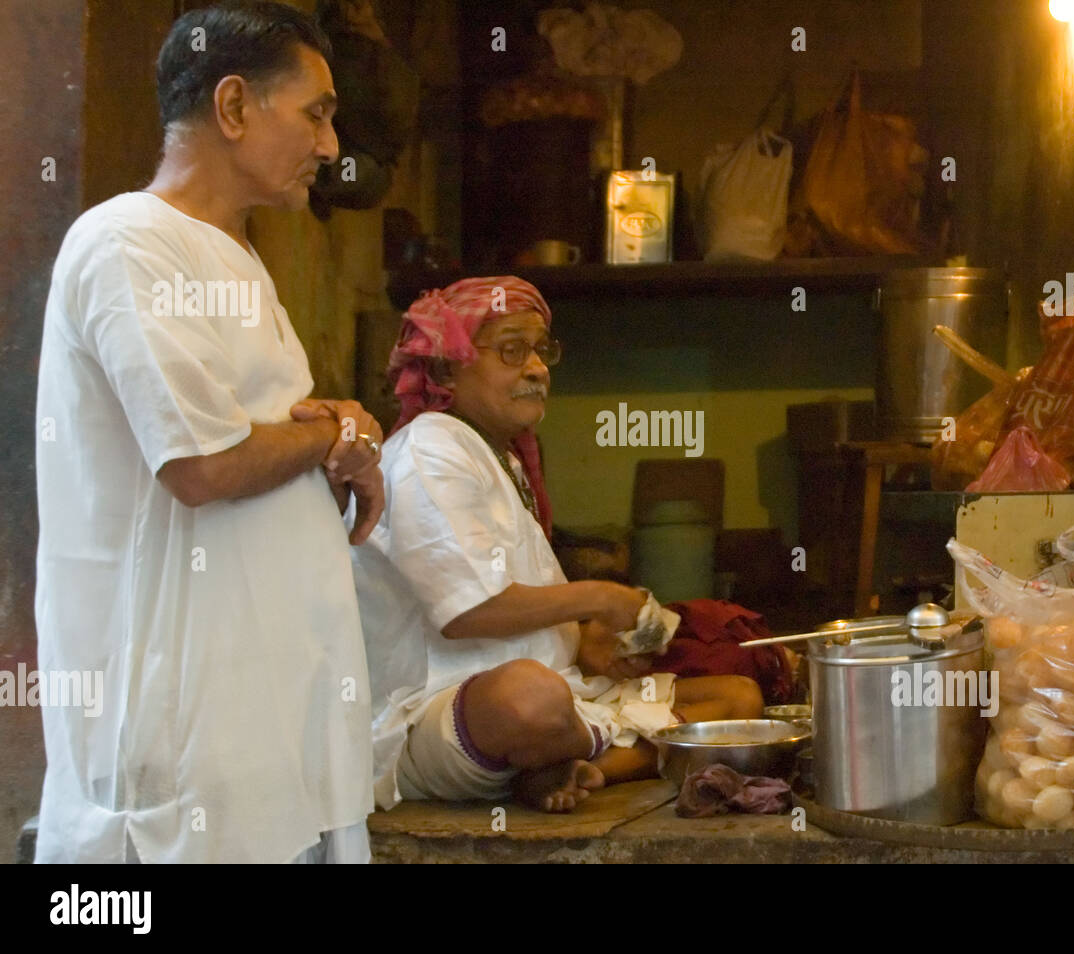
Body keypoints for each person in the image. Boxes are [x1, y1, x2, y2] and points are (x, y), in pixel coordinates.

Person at [34, 2, 384, 863]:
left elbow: (254, 438)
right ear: (232, 107)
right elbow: (202, 462)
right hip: (182, 746)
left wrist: (335, 437)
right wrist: (332, 433)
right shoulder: (128, 243)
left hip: (263, 732)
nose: (330, 147)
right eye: (315, 114)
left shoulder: (233, 255)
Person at [350, 277, 763, 813]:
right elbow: (468, 610)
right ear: (447, 368)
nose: (537, 369)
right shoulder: (430, 448)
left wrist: (583, 642)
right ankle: (571, 751)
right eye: (512, 350)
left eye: (541, 351)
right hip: (440, 713)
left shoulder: (499, 456)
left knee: (738, 700)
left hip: (561, 695)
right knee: (530, 699)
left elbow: (518, 604)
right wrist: (600, 598)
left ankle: (582, 767)